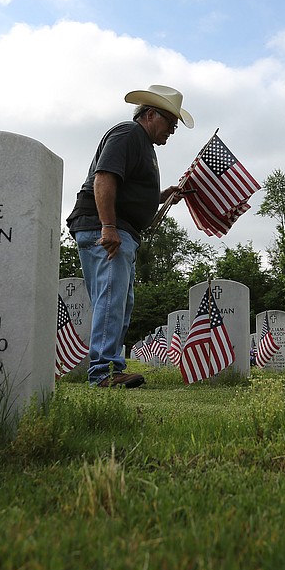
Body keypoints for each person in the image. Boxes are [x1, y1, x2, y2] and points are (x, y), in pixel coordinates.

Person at [67, 84, 193, 388]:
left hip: (120, 229)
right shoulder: (128, 134)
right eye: (170, 124)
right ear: (150, 115)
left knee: (119, 302)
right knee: (111, 299)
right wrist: (108, 227)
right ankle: (104, 372)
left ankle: (109, 367)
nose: (172, 132)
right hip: (107, 228)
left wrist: (161, 196)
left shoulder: (141, 143)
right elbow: (104, 178)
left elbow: (128, 188)